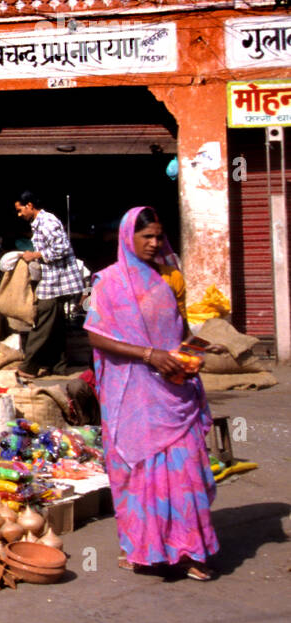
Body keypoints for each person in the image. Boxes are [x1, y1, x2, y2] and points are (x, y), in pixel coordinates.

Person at [85, 206, 217, 581]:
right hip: (134, 395)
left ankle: (191, 550)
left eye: (158, 236)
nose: (154, 243)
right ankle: (145, 550)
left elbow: (179, 332)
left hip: (173, 393)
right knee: (141, 474)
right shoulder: (108, 282)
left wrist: (194, 354)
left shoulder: (166, 279)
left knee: (186, 469)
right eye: (147, 236)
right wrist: (149, 355)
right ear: (129, 237)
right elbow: (96, 335)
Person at [14, 190, 83, 379]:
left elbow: (62, 248)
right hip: (54, 279)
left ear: (29, 205)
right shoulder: (39, 224)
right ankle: (59, 366)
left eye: (20, 210)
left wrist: (35, 255)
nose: (19, 215)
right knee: (57, 325)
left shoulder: (48, 222)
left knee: (43, 322)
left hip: (57, 281)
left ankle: (28, 367)